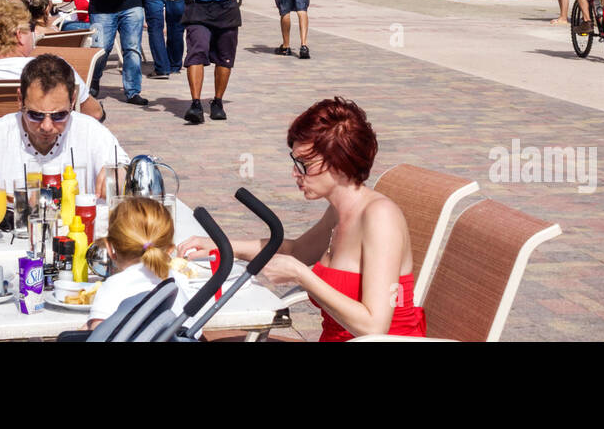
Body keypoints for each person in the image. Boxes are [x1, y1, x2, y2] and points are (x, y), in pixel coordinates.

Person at [178, 97, 426, 341]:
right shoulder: (337, 212)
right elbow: (296, 250)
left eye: (304, 164)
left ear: (340, 161)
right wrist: (221, 245)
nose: (295, 173)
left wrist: (303, 277)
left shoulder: (380, 217)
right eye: (295, 161)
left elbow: (375, 327)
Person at [0, 54, 128, 204]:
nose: (47, 126)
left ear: (73, 101)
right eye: (35, 115)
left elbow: (131, 175)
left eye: (60, 115)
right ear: (20, 100)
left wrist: (124, 172)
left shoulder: (91, 132)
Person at [0, 0, 103, 125]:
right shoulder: (55, 69)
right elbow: (95, 113)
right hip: (46, 155)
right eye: (31, 28)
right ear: (19, 35)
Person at [86, 196, 198, 331]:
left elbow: (99, 334)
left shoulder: (114, 286)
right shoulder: (176, 282)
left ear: (110, 249)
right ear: (169, 250)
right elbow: (191, 329)